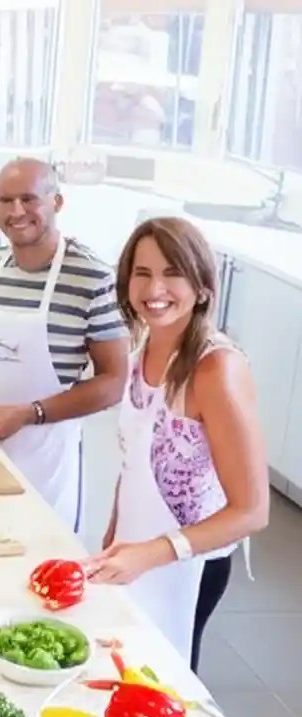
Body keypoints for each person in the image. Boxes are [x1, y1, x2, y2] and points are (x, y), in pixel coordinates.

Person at [86, 216, 268, 672]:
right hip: (135, 552)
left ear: (203, 286)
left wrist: (152, 552)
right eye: (142, 273)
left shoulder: (216, 369)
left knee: (164, 682)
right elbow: (135, 459)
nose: (155, 288)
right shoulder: (140, 352)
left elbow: (252, 511)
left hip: (189, 564)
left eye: (173, 273)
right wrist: (115, 529)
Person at [0, 158, 130, 529]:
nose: (16, 212)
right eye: (5, 200)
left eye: (29, 199)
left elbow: (113, 383)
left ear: (57, 203)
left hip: (46, 460)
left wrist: (29, 413)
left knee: (37, 551)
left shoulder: (91, 277)